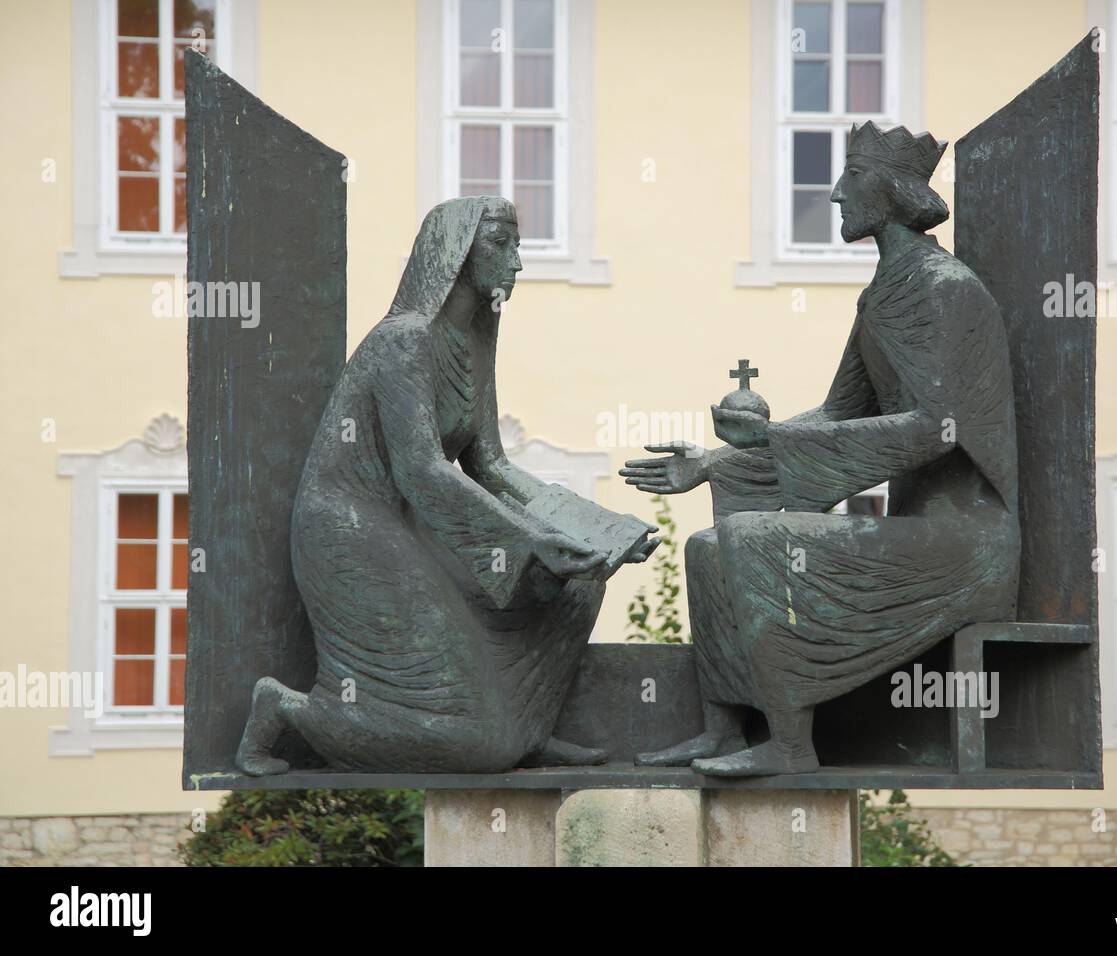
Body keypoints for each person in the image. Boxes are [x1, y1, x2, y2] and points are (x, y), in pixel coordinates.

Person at [622, 123, 1021, 777]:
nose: (836, 193)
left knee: (751, 538)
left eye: (853, 177)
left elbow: (937, 430)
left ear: (890, 192)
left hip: (969, 541)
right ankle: (722, 730)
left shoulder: (946, 289)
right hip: (920, 529)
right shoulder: (882, 295)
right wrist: (714, 464)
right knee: (707, 546)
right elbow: (839, 413)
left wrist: (775, 439)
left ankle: (790, 744)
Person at [236, 196, 652, 775]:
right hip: (351, 529)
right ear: (456, 253)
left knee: (580, 579)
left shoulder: (475, 340)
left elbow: (490, 465)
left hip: (413, 520)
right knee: (476, 740)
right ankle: (288, 712)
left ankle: (528, 733)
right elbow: (422, 469)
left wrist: (591, 526)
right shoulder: (403, 340)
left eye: (516, 244)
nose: (517, 263)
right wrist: (529, 539)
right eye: (502, 244)